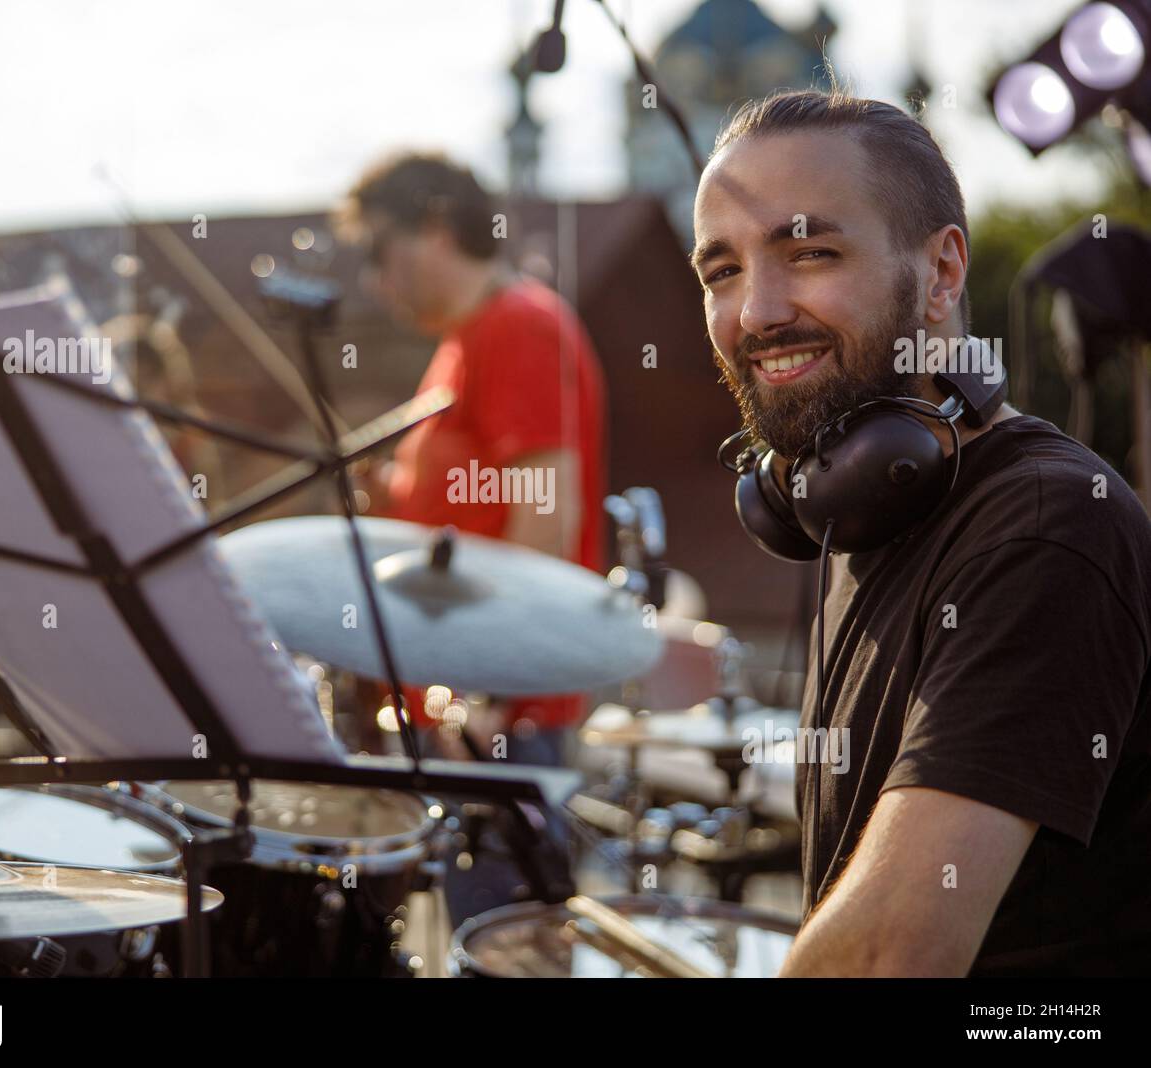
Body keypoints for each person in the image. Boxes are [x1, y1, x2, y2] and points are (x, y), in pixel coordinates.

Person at [692, 87, 1151, 976]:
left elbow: (883, 960)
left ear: (941, 274)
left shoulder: (1045, 529)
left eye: (810, 251)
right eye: (724, 272)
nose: (756, 312)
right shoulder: (864, 510)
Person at [336, 152, 607, 767]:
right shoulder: (469, 339)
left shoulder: (517, 326)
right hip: (458, 710)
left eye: (379, 250)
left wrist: (489, 692)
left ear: (437, 230)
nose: (375, 282)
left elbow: (548, 513)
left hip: (491, 723)